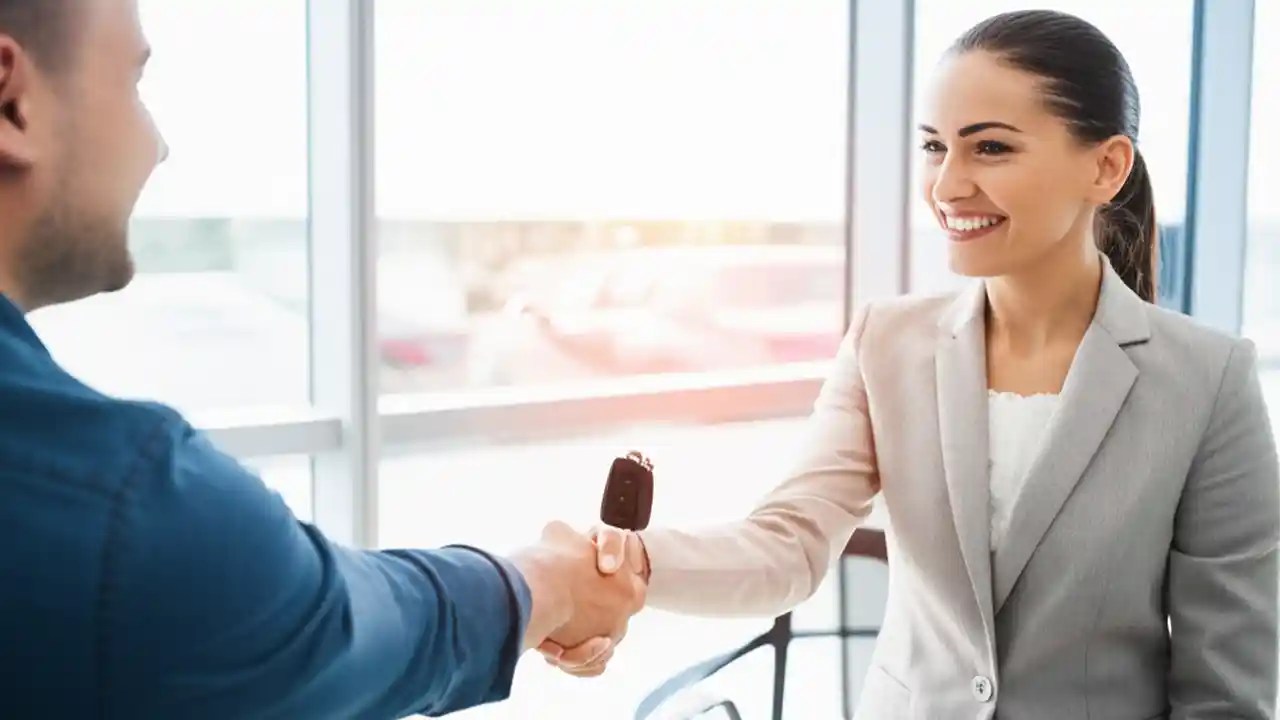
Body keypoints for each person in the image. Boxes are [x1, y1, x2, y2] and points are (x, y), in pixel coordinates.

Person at [544, 10, 1280, 719]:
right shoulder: (885, 343)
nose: (947, 185)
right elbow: (788, 545)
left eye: (990, 148)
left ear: (1106, 167)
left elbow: (1226, 693)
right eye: (934, 147)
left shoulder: (1209, 381)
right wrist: (633, 565)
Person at [0, 1, 642, 717]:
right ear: (11, 102)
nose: (157, 147)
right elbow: (329, 624)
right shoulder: (123, 505)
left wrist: (537, 582)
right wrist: (548, 585)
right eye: (132, 82)